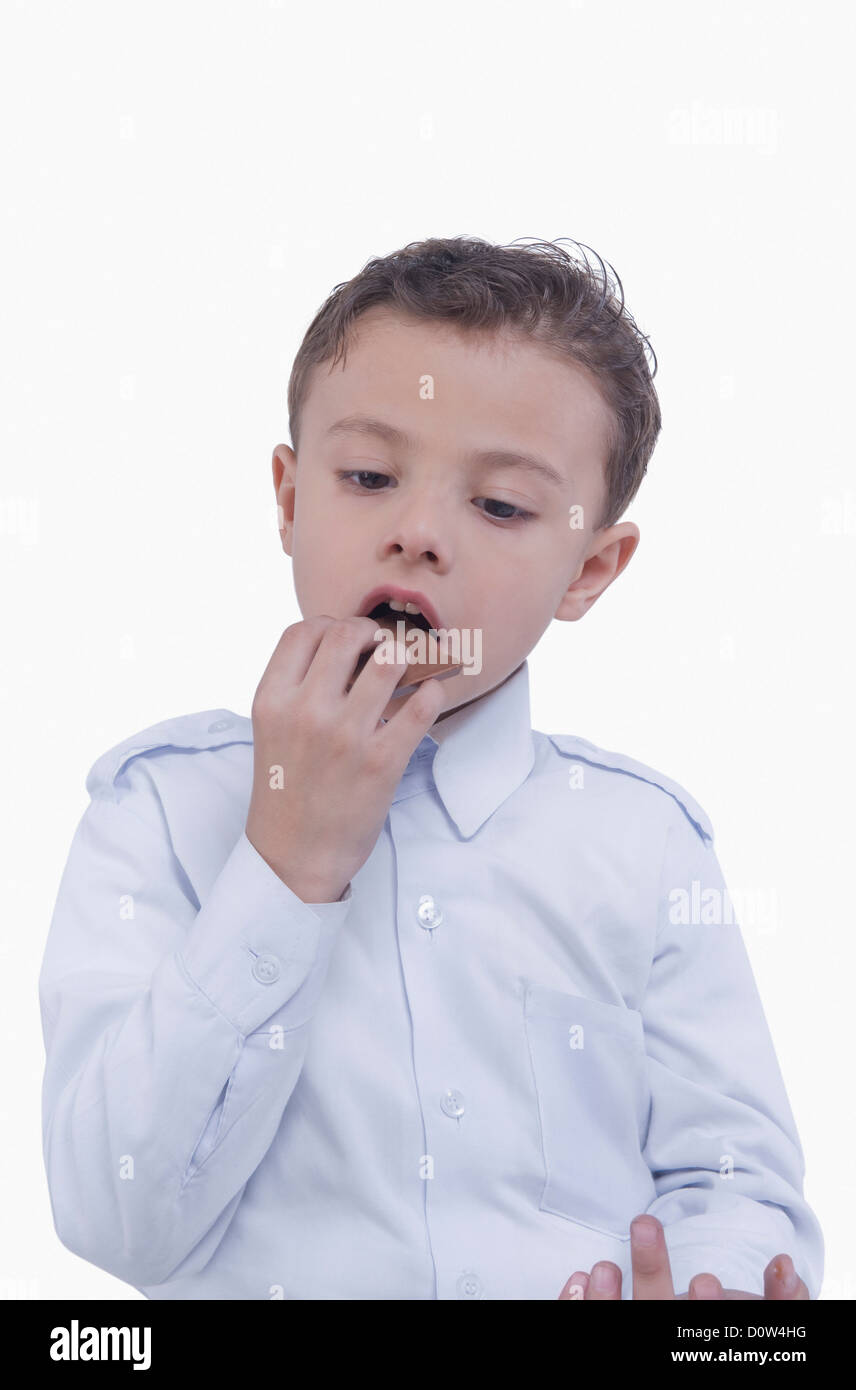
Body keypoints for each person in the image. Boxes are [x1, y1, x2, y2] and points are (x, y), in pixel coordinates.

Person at [38, 236, 823, 1300]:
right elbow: (114, 1218)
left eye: (499, 506)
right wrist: (284, 864)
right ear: (287, 496)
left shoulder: (642, 842)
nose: (416, 533)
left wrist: (707, 1296)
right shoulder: (161, 809)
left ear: (590, 568)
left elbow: (733, 1182)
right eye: (367, 476)